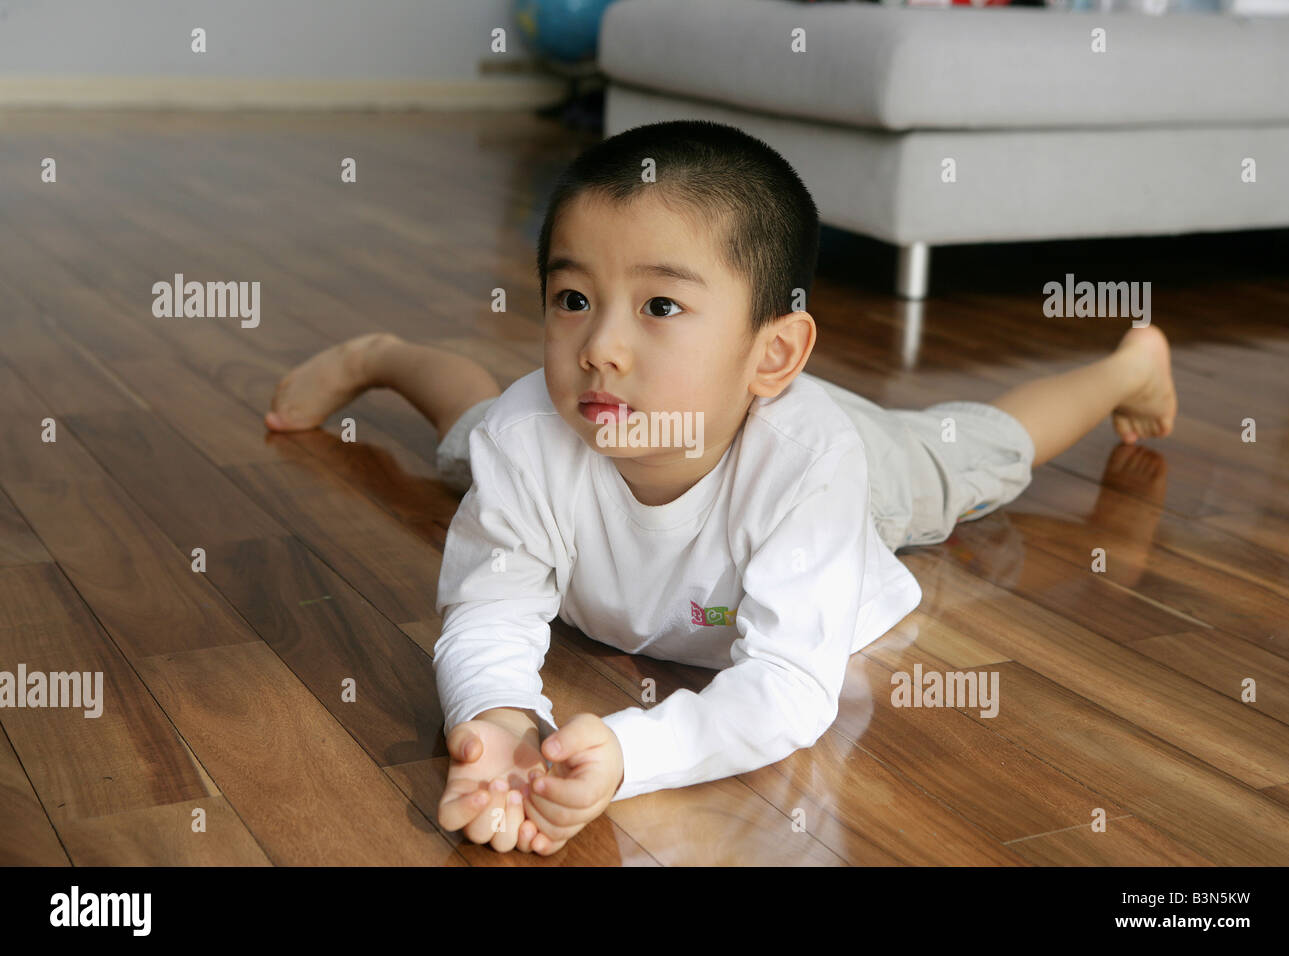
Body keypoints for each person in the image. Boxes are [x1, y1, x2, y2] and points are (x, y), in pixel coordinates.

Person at [264, 120, 1177, 855]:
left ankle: (1126, 368)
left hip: (823, 446)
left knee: (977, 456)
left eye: (661, 306)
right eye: (572, 298)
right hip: (608, 424)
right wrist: (497, 719)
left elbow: (786, 685)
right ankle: (381, 355)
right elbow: (489, 612)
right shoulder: (539, 431)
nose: (601, 347)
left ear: (773, 349)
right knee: (478, 441)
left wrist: (630, 751)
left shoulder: (814, 467)